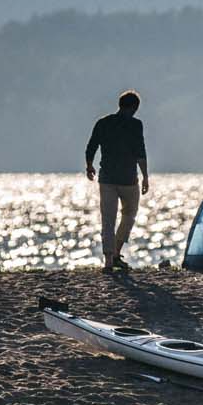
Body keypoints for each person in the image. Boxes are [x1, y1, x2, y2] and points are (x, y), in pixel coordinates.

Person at [85, 89, 149, 272]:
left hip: (107, 179)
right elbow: (140, 152)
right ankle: (115, 253)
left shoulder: (103, 123)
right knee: (129, 216)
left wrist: (89, 165)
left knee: (108, 219)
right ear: (134, 107)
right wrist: (145, 176)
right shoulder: (136, 125)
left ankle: (109, 259)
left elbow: (91, 147)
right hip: (128, 180)